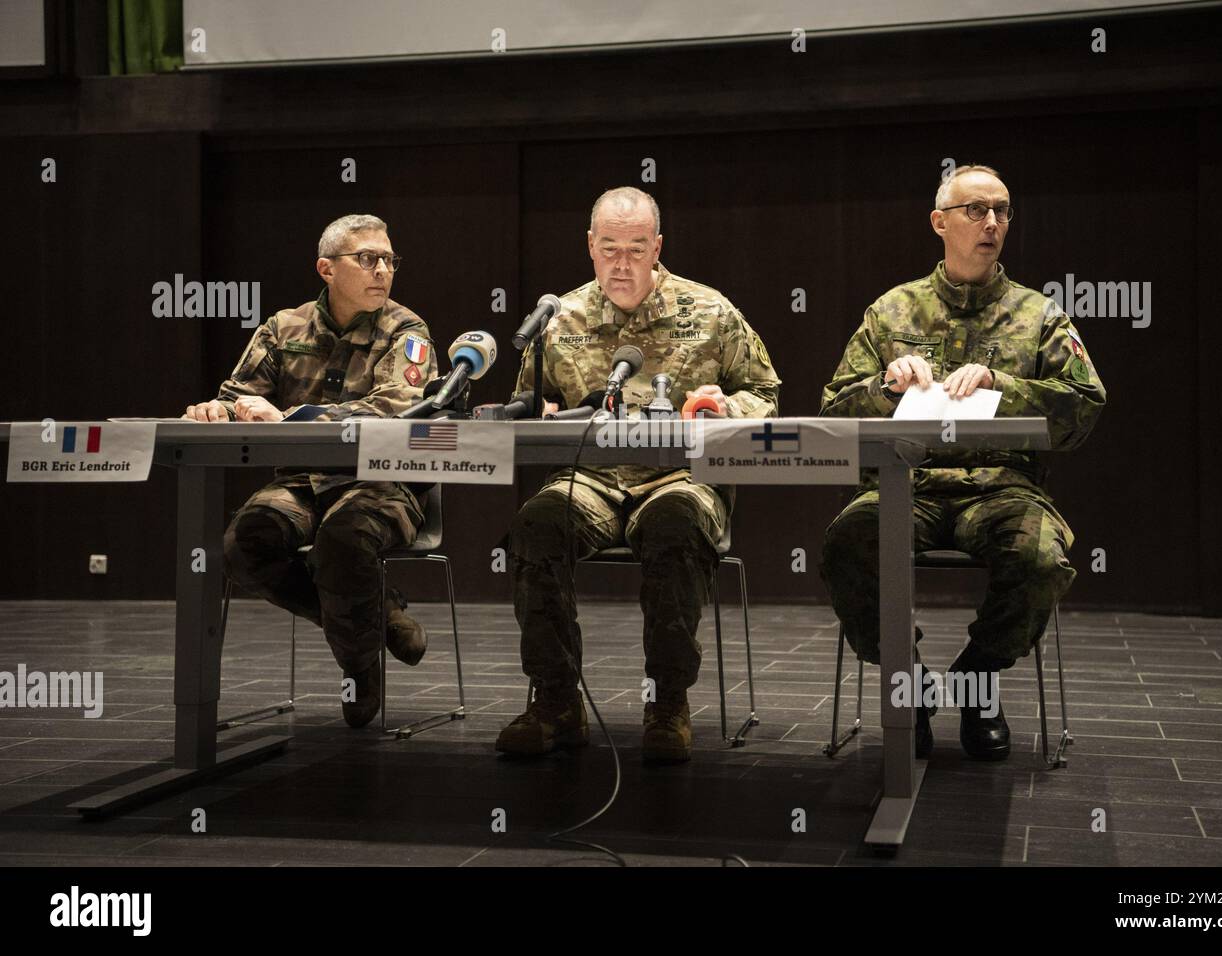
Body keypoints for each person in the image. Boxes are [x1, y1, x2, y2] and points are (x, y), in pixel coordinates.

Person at [818, 165, 1106, 760]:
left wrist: (1004, 385)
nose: (993, 223)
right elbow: (834, 411)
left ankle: (978, 681)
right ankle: (914, 684)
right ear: (939, 222)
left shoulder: (1039, 316)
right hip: (907, 484)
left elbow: (1084, 407)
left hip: (1000, 489)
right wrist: (887, 385)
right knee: (848, 543)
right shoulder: (891, 312)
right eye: (976, 210)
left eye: (1002, 211)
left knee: (1037, 556)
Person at [497, 186, 781, 762]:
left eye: (635, 248)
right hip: (591, 481)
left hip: (678, 478)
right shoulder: (559, 318)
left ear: (657, 247)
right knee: (537, 527)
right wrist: (539, 413)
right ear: (589, 247)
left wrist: (729, 407)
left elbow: (765, 392)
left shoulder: (709, 312)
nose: (621, 263)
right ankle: (555, 703)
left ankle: (667, 703)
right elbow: (526, 405)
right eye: (609, 249)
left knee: (675, 527)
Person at [184, 213, 437, 728]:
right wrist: (219, 409)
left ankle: (359, 666)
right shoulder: (283, 327)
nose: (382, 270)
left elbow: (399, 405)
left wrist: (297, 417)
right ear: (327, 268)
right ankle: (377, 618)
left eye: (389, 260)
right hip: (301, 482)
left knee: (344, 540)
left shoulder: (406, 328)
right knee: (243, 545)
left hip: (381, 480)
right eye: (368, 258)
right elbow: (240, 395)